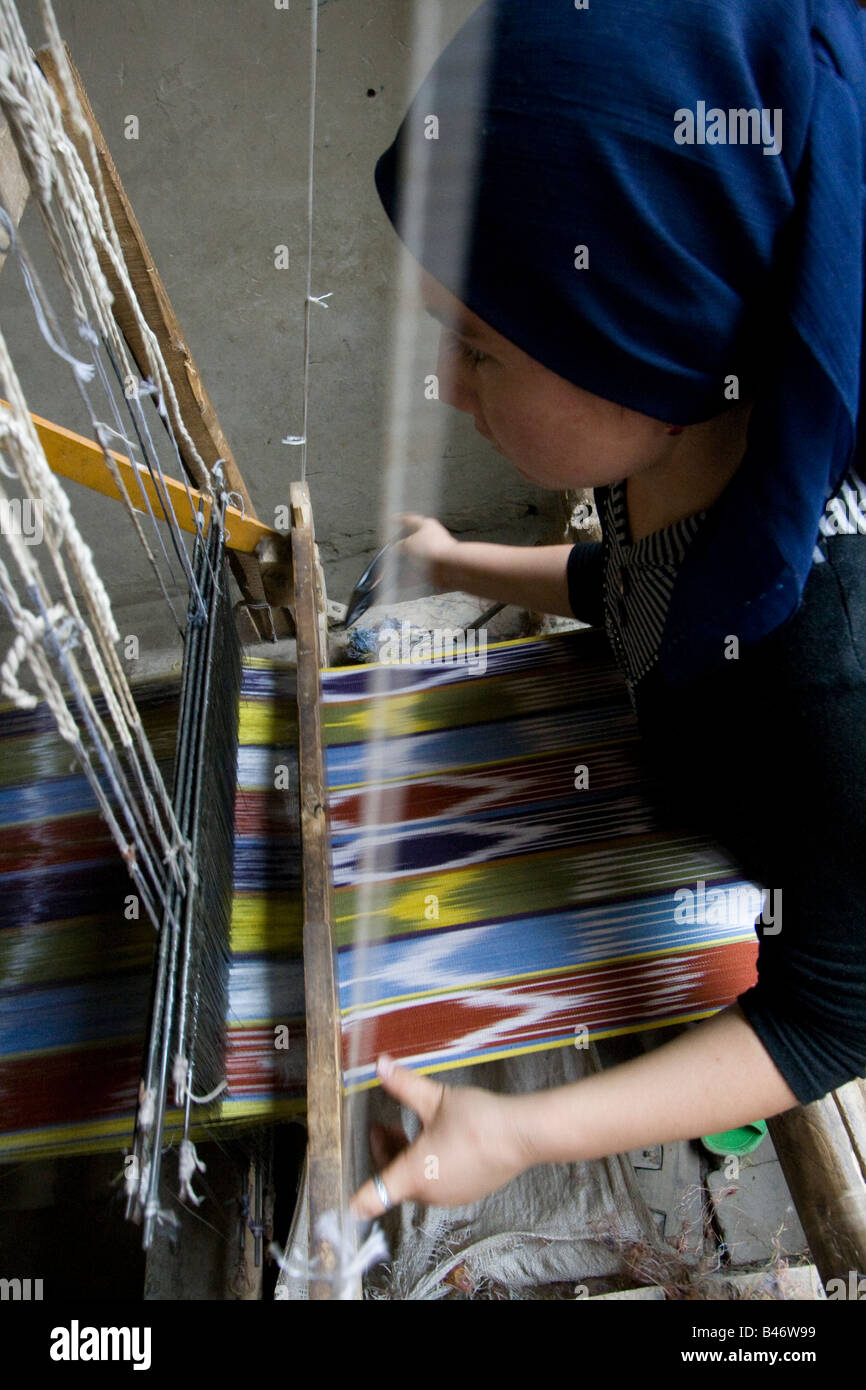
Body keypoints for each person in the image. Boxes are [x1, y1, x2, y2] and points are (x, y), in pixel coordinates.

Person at [350, 0, 866, 1219]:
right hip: (716, 772)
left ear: (660, 350)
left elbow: (828, 1014)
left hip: (786, 882)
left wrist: (522, 1130)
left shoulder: (829, 681)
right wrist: (462, 559)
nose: (443, 384)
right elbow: (632, 591)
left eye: (480, 349)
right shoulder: (681, 466)